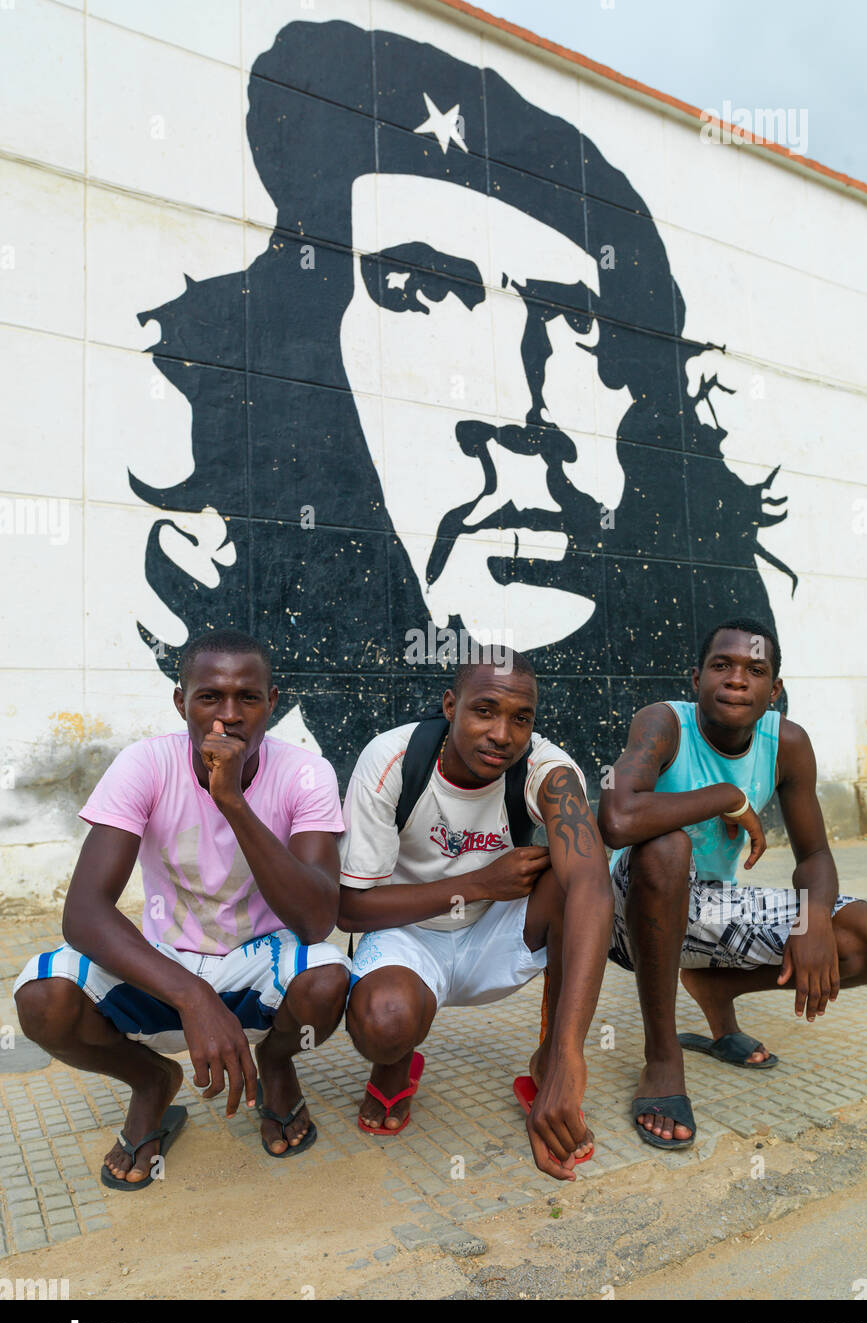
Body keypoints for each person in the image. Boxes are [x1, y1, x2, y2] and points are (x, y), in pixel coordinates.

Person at [128, 15, 791, 785]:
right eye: (418, 289)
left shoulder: (679, 733)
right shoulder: (294, 765)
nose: (518, 413)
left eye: (572, 317)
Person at [14, 631, 349, 1188]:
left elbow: (316, 920)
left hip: (258, 958)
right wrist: (193, 997)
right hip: (163, 959)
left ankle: (276, 1064)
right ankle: (151, 1083)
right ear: (180, 703)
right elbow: (84, 913)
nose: (229, 714)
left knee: (327, 979)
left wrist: (233, 801)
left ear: (272, 703)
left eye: (248, 697)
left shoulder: (306, 773)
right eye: (209, 697)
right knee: (43, 999)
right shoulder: (145, 763)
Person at [598, 617, 867, 1149]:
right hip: (627, 916)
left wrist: (812, 918)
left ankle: (718, 985)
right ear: (695, 677)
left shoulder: (786, 743)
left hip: (708, 911)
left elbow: (814, 853)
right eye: (722, 665)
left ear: (775, 690)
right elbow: (618, 819)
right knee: (665, 844)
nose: (737, 679)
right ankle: (662, 1056)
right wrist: (726, 796)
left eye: (755, 669)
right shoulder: (663, 723)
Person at [339, 648, 613, 1181]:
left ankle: (547, 1067)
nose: (503, 734)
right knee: (385, 1021)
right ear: (450, 705)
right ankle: (395, 1061)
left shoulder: (547, 771)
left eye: (521, 718)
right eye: (484, 710)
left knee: (577, 874)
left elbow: (593, 891)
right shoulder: (393, 759)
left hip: (495, 931)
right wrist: (480, 882)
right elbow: (352, 908)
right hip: (406, 934)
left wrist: (569, 1057)